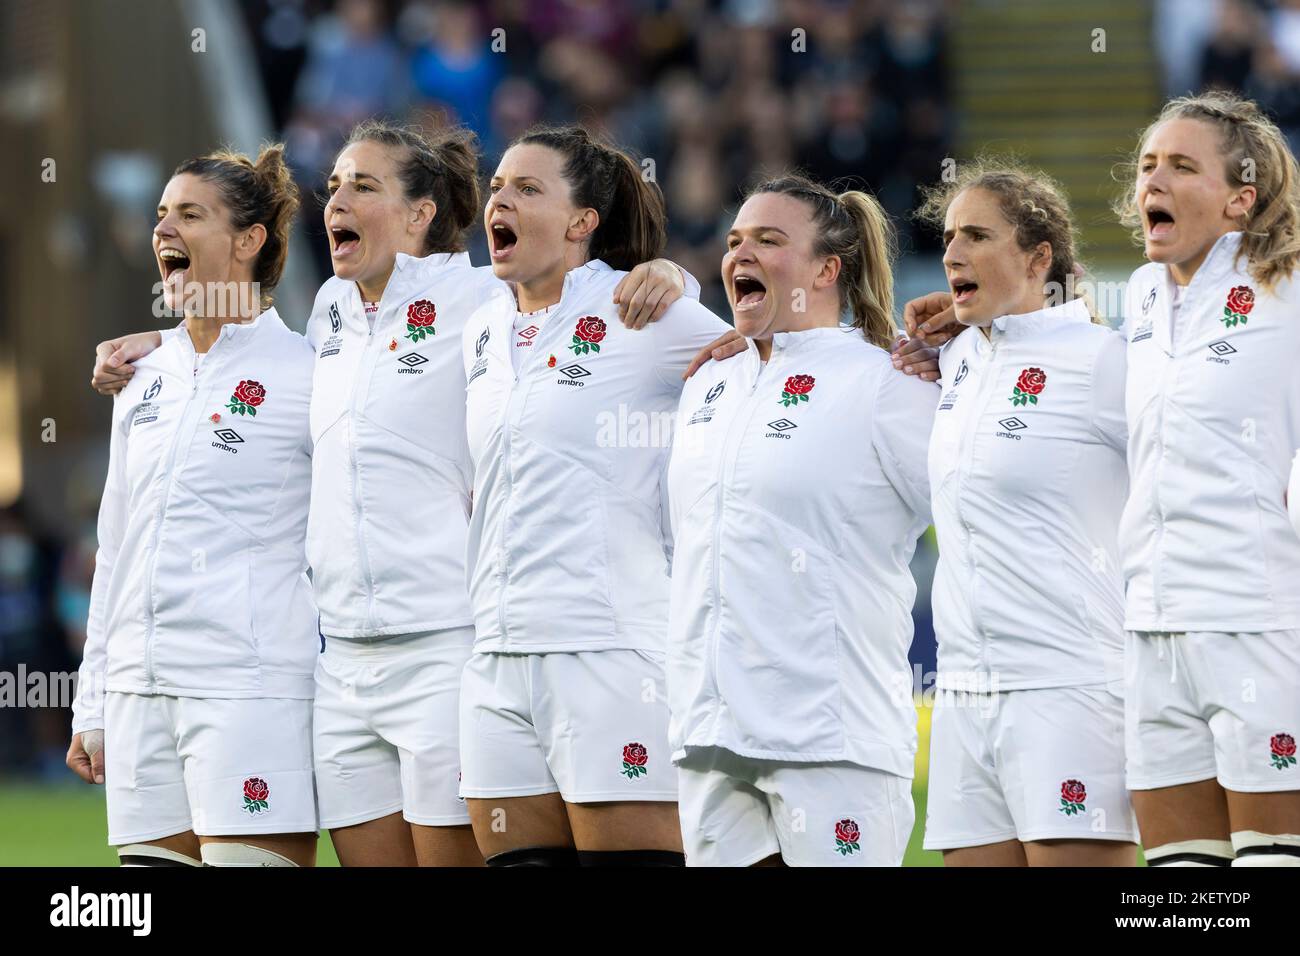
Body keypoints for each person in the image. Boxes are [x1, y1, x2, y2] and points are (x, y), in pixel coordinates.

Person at [87, 124, 689, 867]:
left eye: (363, 186)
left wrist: (667, 273)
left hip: (445, 648)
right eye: (334, 185)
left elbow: (576, 300)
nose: (336, 199)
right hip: (340, 667)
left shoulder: (480, 298)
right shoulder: (331, 315)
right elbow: (237, 353)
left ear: (419, 215)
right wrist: (162, 345)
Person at [459, 125, 730, 866]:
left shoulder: (636, 308)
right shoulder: (480, 325)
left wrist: (680, 276)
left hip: (609, 650)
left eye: (527, 189)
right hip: (494, 656)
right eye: (496, 188)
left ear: (583, 224)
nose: (500, 201)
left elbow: (761, 351)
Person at [666, 174, 936, 866]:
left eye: (768, 240)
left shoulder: (887, 380)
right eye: (733, 242)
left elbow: (976, 506)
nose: (740, 255)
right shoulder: (709, 380)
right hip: (709, 732)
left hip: (832, 738)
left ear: (827, 269)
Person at [67, 145, 320, 867]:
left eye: (189, 214)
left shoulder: (309, 373)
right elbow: (116, 547)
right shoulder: (140, 378)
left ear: (248, 241)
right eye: (160, 215)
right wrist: (96, 703)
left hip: (249, 691)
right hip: (141, 697)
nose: (163, 230)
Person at [911, 161, 1137, 866]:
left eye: (978, 235)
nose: (952, 253)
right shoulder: (955, 363)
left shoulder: (1104, 361)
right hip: (962, 696)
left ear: (1040, 257)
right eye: (949, 236)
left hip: (1069, 690)